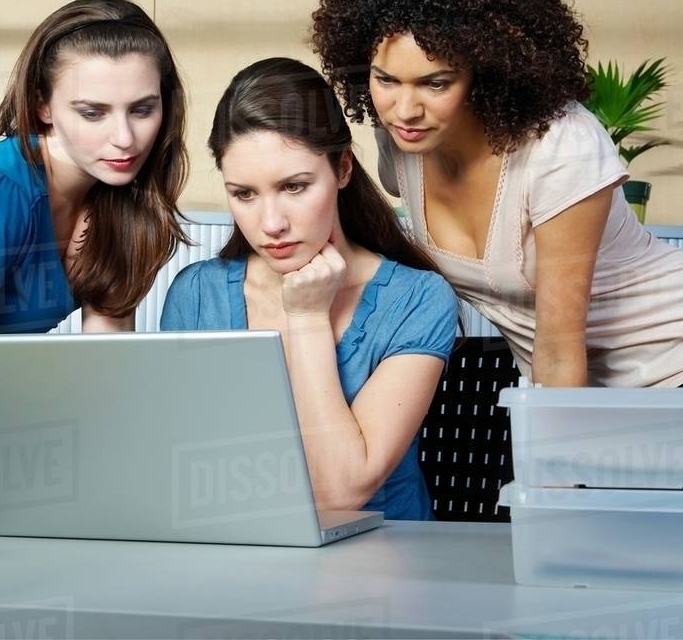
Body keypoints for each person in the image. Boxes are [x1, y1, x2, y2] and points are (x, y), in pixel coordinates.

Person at [309, 0, 683, 388]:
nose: (405, 109)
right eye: (386, 80)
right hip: (579, 387)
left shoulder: (560, 147)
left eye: (436, 83)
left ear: (485, 73)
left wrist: (553, 453)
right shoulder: (406, 141)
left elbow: (558, 345)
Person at [160, 58, 459, 519]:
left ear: (342, 169)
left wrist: (307, 318)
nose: (272, 224)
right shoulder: (197, 295)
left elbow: (339, 493)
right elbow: (176, 471)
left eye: (295, 187)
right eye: (244, 194)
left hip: (385, 570)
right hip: (232, 562)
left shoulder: (418, 299)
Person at [0, 0, 188, 333]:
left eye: (142, 109)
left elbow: (107, 355)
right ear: (41, 105)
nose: (124, 138)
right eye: (93, 113)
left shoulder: (123, 196)